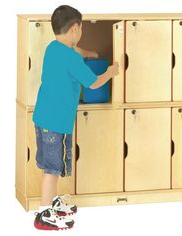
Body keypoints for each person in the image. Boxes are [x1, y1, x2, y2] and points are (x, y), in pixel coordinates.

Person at [32, 5, 119, 230]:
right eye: (81, 29)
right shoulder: (72, 59)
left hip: (42, 117)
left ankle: (51, 203)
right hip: (57, 122)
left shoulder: (53, 48)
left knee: (50, 165)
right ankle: (44, 214)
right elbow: (93, 82)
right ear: (75, 28)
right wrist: (111, 71)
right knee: (52, 169)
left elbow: (76, 51)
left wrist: (90, 54)